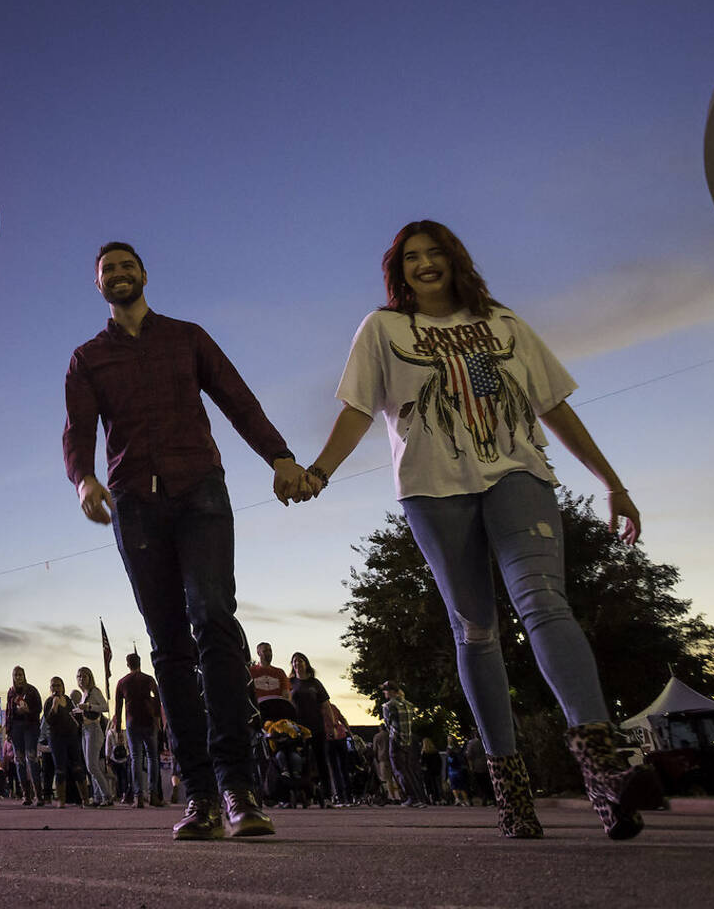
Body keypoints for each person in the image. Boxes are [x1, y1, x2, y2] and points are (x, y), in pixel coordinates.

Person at [298, 220, 658, 840]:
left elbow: (553, 404)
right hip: (434, 489)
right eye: (412, 257)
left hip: (518, 473)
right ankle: (511, 789)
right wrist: (320, 472)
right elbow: (358, 407)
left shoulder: (506, 324)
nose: (425, 264)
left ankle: (603, 765)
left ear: (456, 259)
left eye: (436, 252)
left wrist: (612, 481)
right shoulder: (383, 329)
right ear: (398, 270)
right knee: (477, 629)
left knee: (544, 602)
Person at [64, 242, 309, 840]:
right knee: (169, 645)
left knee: (215, 621)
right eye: (108, 271)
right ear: (98, 286)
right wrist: (83, 478)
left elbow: (236, 398)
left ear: (145, 275)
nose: (120, 275)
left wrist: (279, 456)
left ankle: (238, 786)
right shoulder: (87, 358)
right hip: (134, 505)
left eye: (127, 266)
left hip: (199, 488)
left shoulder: (188, 337)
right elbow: (78, 429)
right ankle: (199, 794)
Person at [112, 651, 163, 808]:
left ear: (128, 664)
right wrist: (157, 718)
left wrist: (118, 727)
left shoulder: (122, 682)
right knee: (152, 758)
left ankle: (138, 797)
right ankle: (153, 795)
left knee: (135, 758)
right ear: (140, 662)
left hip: (132, 722)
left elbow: (118, 706)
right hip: (148, 721)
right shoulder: (148, 679)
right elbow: (158, 698)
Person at [286, 653, 333, 808]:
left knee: (321, 761)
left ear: (306, 663)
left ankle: (328, 796)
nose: (297, 663)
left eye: (300, 661)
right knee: (300, 762)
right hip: (297, 729)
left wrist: (330, 725)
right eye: (294, 661)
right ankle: (304, 796)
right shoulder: (290, 683)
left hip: (316, 727)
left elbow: (325, 705)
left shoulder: (315, 683)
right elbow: (285, 702)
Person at [43, 675, 86, 808]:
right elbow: (49, 720)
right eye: (53, 686)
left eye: (58, 685)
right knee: (60, 769)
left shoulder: (68, 700)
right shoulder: (49, 702)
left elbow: (75, 713)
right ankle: (61, 800)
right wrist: (55, 706)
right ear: (50, 688)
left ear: (63, 687)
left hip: (72, 737)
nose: (56, 688)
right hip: (57, 738)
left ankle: (85, 799)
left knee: (77, 767)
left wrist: (78, 723)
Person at [4, 667, 44, 806]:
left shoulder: (32, 690)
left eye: (20, 675)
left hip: (30, 726)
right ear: (13, 677)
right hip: (16, 728)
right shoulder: (11, 692)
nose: (19, 677)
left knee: (31, 758)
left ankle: (38, 795)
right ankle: (26, 795)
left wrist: (28, 710)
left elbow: (39, 708)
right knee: (19, 759)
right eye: (16, 675)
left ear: (24, 676)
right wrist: (8, 731)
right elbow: (8, 711)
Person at [75, 666, 112, 806]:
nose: (81, 679)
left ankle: (106, 795)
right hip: (85, 729)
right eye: (79, 676)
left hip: (94, 729)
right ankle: (97, 796)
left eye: (84, 676)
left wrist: (89, 706)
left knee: (92, 766)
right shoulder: (83, 693)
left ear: (90, 677)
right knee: (91, 765)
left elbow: (105, 707)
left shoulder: (94, 691)